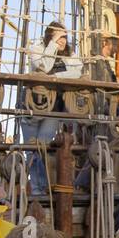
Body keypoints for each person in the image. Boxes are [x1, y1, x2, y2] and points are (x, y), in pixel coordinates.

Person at [22, 21, 83, 195]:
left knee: (44, 149)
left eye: (64, 36)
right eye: (58, 36)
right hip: (31, 109)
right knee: (32, 150)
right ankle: (37, 189)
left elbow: (76, 73)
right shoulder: (36, 49)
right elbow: (44, 66)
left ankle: (43, 187)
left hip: (52, 109)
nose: (62, 40)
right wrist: (52, 46)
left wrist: (54, 76)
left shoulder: (70, 55)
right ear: (49, 36)